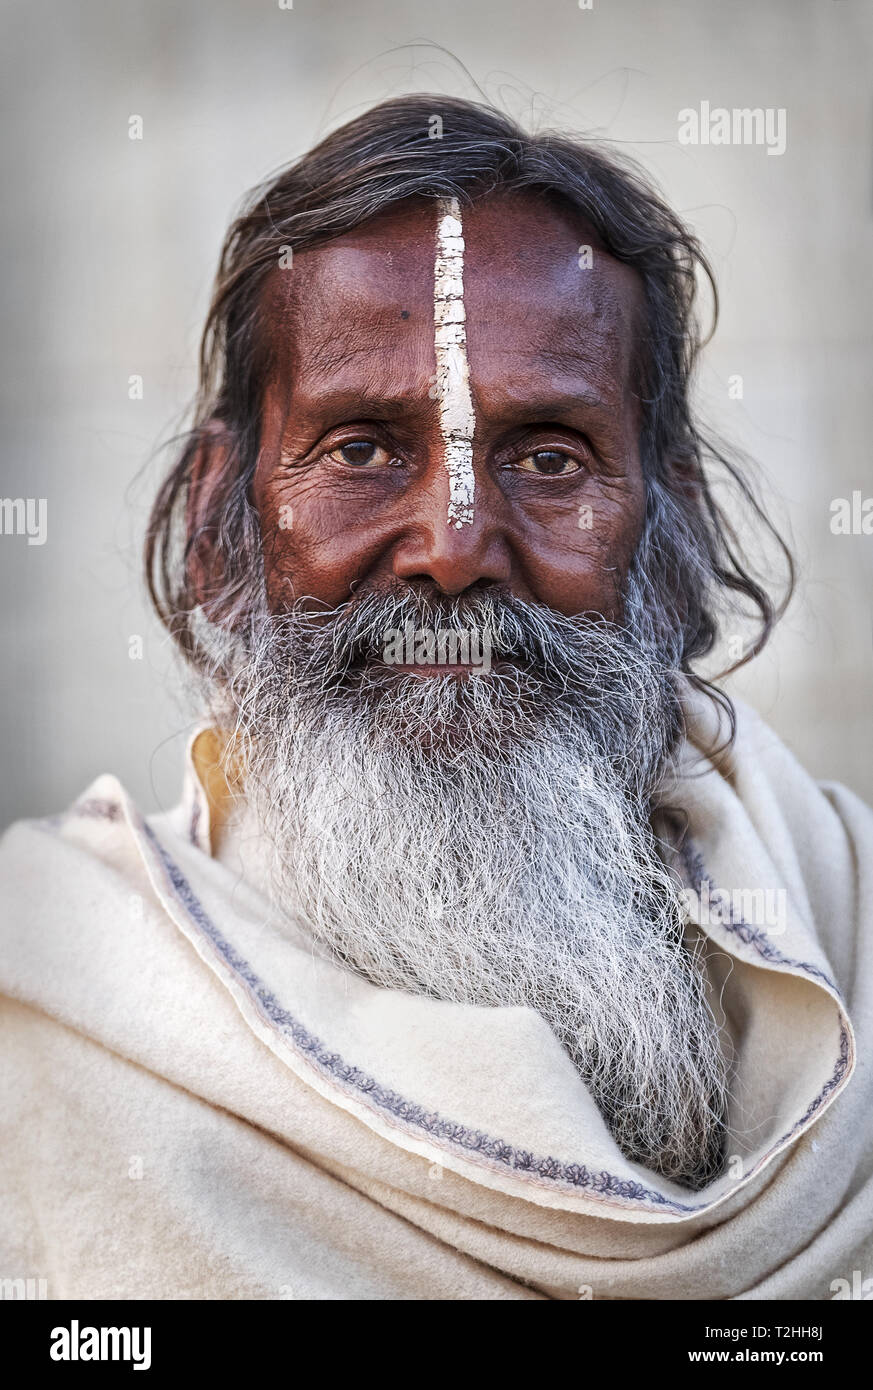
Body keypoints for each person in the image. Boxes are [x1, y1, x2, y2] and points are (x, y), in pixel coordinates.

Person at [1, 96, 869, 1300]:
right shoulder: (51, 1006)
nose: (455, 547)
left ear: (668, 534)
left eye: (550, 457)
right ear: (219, 520)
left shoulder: (851, 932)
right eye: (360, 449)